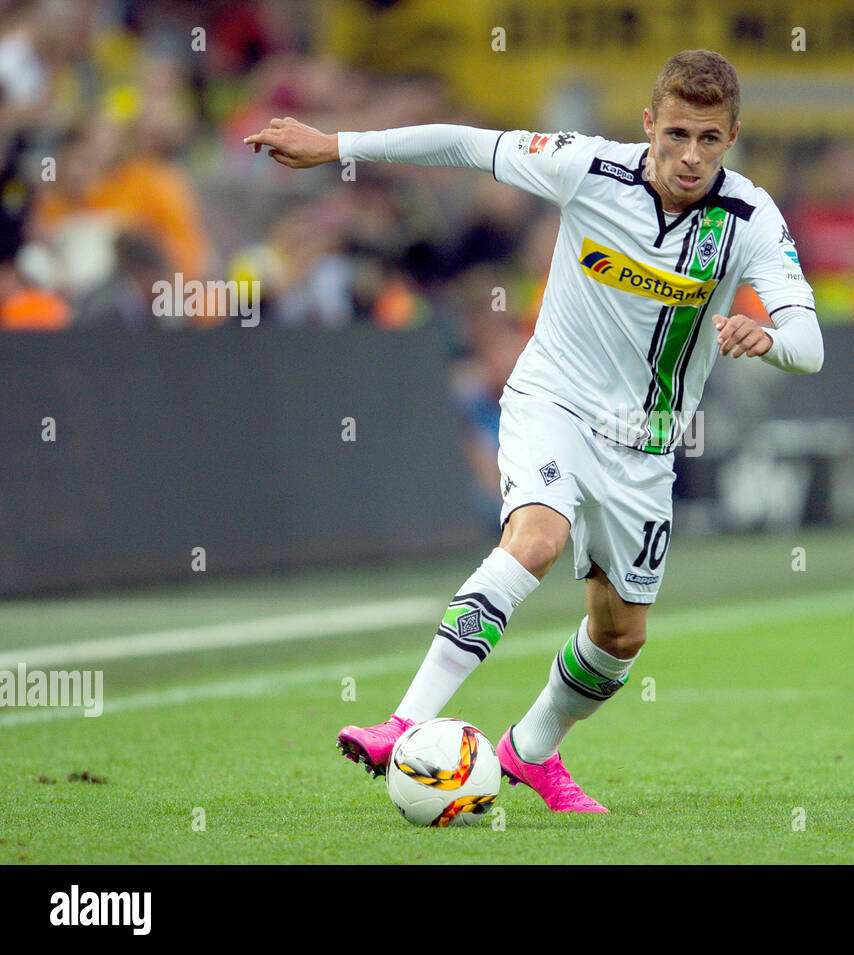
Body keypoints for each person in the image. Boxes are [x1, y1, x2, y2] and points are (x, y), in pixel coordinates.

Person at [244, 50, 823, 813]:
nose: (690, 156)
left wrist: (764, 336)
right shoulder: (585, 167)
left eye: (709, 139)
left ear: (732, 137)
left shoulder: (750, 218)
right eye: (676, 133)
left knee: (619, 638)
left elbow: (808, 346)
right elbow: (463, 143)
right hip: (553, 400)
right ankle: (404, 720)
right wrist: (337, 146)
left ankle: (529, 752)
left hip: (645, 445)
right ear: (648, 123)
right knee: (537, 538)